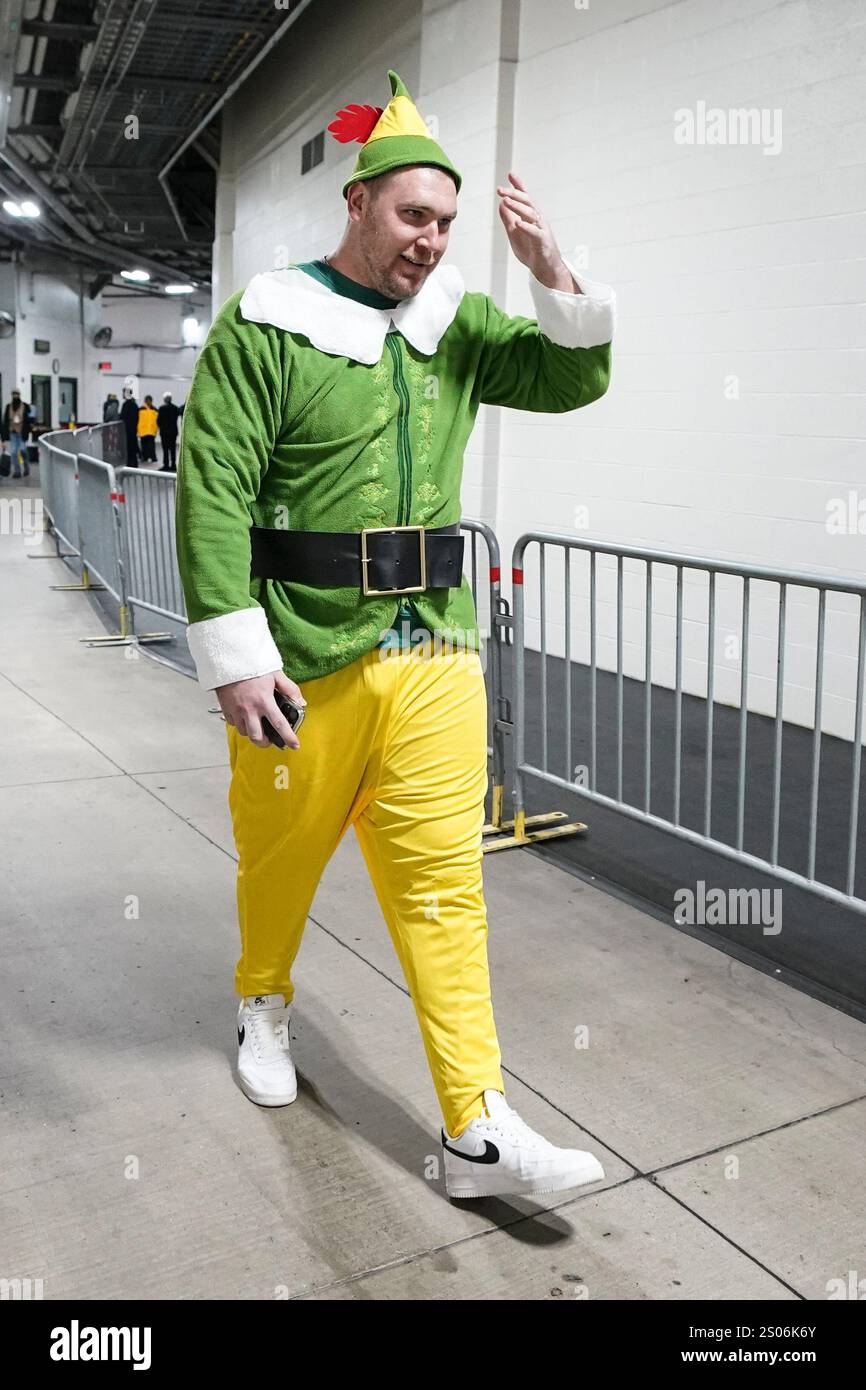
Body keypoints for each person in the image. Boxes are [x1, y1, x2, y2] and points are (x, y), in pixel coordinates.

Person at [175, 69, 616, 1200]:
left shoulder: (456, 323)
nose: (430, 240)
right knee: (281, 862)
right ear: (360, 203)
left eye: (446, 223)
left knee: (441, 886)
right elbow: (213, 483)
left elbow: (571, 381)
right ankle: (262, 1006)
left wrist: (550, 272)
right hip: (298, 651)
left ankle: (475, 1125)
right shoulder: (267, 320)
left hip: (433, 651)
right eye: (413, 215)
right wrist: (232, 650)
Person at [2, 388, 34, 478]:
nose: (15, 396)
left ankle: (26, 466)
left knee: (23, 450)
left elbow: (30, 419)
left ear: (19, 395)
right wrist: (3, 438)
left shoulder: (25, 406)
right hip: (12, 432)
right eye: (13, 394)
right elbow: (5, 422)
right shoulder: (8, 407)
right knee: (13, 452)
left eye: (16, 394)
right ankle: (17, 471)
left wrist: (29, 430)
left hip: (22, 432)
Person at [157, 392, 180, 471]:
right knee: (173, 449)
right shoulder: (175, 408)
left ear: (164, 400)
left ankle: (166, 465)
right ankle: (173, 465)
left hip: (164, 433)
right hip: (173, 432)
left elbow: (158, 421)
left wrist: (162, 427)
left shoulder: (161, 408)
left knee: (165, 449)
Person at [119, 387, 139, 466]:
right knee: (133, 447)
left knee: (129, 448)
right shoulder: (134, 404)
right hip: (133, 430)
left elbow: (122, 417)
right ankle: (134, 464)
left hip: (127, 430)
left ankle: (130, 465)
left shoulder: (126, 405)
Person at [137, 394, 158, 463]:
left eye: (150, 400)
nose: (149, 402)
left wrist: (156, 430)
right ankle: (145, 457)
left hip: (151, 430)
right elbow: (138, 420)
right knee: (144, 445)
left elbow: (157, 421)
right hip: (143, 430)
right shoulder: (140, 409)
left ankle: (152, 457)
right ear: (145, 401)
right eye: (147, 400)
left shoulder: (154, 410)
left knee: (151, 445)